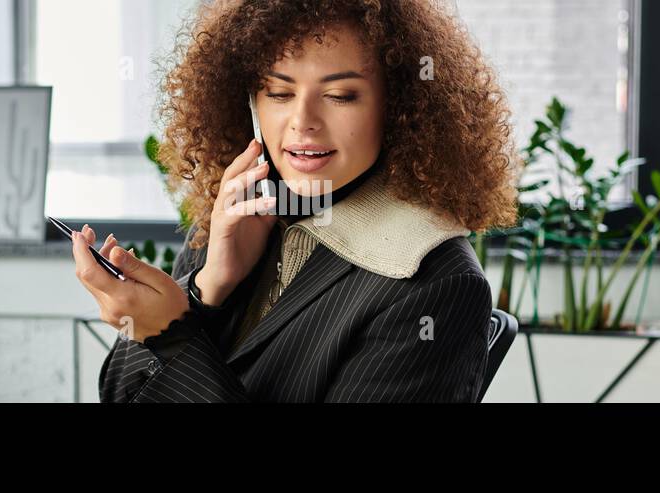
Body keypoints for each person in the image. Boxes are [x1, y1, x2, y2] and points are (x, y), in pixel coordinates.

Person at [70, 0, 520, 402]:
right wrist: (210, 287)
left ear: (400, 107)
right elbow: (117, 392)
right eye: (279, 93)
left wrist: (173, 337)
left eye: (341, 96)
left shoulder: (435, 284)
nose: (302, 122)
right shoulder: (239, 213)